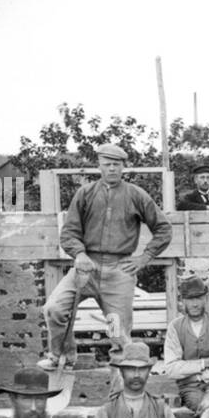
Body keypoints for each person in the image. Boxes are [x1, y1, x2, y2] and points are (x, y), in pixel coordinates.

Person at [40, 143, 173, 370]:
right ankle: (61, 357)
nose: (112, 169)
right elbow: (70, 231)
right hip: (86, 268)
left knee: (117, 330)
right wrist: (80, 254)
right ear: (99, 166)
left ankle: (119, 385)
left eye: (116, 164)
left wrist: (144, 258)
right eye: (107, 164)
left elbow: (163, 229)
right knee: (54, 309)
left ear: (123, 167)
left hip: (118, 272)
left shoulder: (135, 195)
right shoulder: (86, 193)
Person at [153, 275, 209, 414]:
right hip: (190, 387)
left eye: (199, 298)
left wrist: (200, 378)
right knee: (206, 410)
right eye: (190, 299)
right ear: (183, 301)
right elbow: (172, 368)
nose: (195, 304)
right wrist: (204, 363)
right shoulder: (175, 327)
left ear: (206, 298)